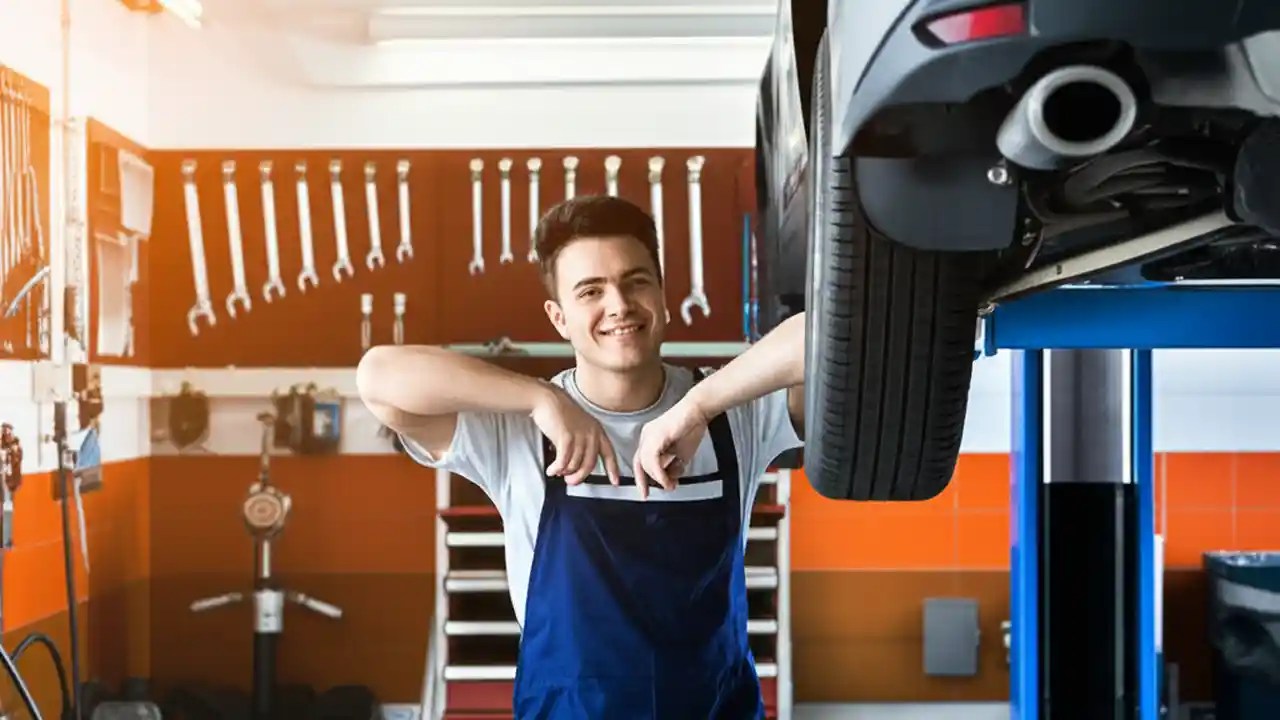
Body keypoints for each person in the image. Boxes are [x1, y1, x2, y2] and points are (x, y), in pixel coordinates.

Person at [356, 194, 805, 719]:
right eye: (591, 290)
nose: (619, 305)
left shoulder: (733, 416)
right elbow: (379, 377)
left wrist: (699, 407)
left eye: (636, 281)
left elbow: (832, 333)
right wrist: (540, 399)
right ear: (559, 317)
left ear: (663, 294)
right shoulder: (519, 433)